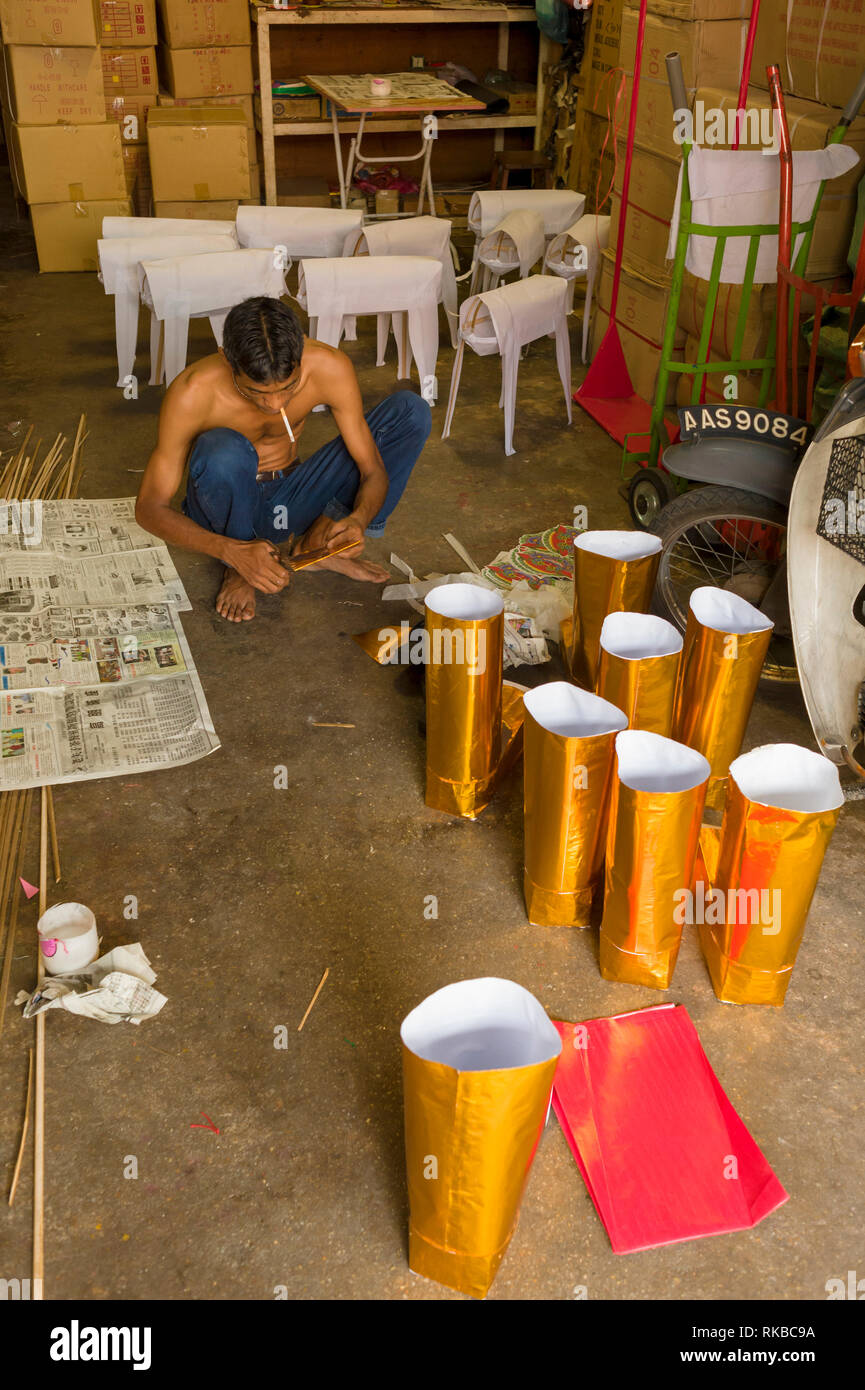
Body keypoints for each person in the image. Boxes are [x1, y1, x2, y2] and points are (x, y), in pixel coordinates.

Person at [135, 296, 432, 622]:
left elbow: (372, 469)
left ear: (302, 353)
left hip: (290, 501)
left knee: (409, 411)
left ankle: (318, 544)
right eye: (257, 391)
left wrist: (359, 519)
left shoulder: (329, 367)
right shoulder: (192, 393)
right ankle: (240, 568)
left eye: (289, 387)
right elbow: (150, 507)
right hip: (223, 513)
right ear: (226, 359)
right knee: (223, 448)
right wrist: (232, 553)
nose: (275, 404)